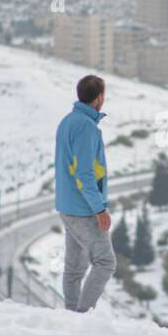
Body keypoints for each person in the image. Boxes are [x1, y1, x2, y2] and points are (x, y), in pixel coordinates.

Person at [53, 74, 115, 312]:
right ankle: (82, 315)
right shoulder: (87, 128)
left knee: (75, 268)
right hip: (83, 208)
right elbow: (85, 174)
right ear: (99, 97)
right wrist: (99, 208)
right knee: (105, 262)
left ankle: (71, 315)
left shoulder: (67, 121)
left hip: (67, 205)